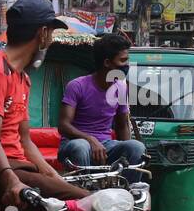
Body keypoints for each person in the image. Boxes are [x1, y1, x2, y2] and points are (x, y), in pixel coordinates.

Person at [0, 0, 90, 211]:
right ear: (42, 33)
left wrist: (54, 177)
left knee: (81, 196)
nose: (52, 38)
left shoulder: (22, 78)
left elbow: (24, 140)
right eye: (52, 32)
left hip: (19, 167)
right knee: (90, 202)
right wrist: (10, 181)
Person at [56, 33, 146, 178]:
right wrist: (90, 139)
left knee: (137, 147)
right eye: (122, 61)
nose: (127, 65)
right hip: (74, 145)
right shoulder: (77, 86)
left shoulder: (121, 88)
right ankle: (85, 192)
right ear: (107, 63)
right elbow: (63, 126)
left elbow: (122, 125)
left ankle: (127, 191)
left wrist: (125, 152)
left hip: (106, 145)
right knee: (81, 145)